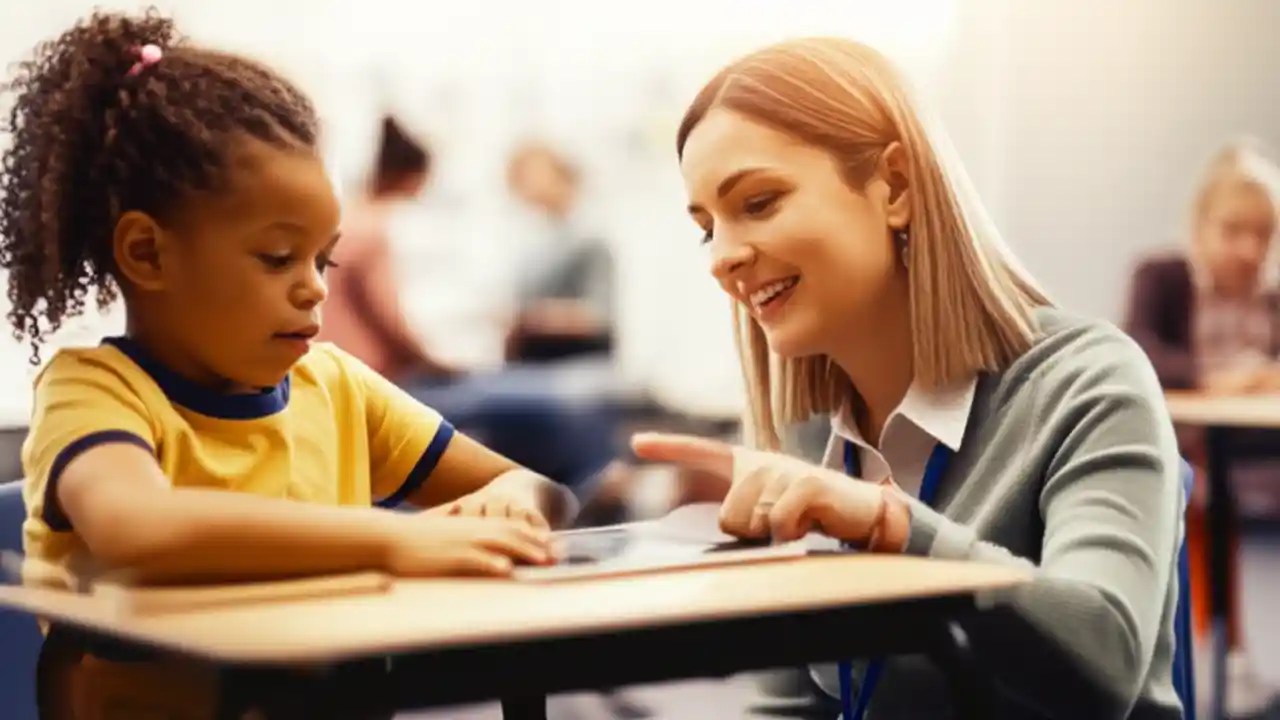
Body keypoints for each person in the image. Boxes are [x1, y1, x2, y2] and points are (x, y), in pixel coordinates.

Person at [0, 11, 569, 717]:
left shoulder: (336, 388)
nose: (316, 286)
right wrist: (393, 539)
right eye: (277, 258)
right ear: (147, 253)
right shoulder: (94, 392)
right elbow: (137, 529)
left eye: (322, 258)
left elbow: (545, 493)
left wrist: (511, 504)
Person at [632, 38, 1186, 719]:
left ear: (895, 187)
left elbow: (1104, 662)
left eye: (759, 202)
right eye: (705, 228)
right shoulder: (803, 435)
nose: (721, 258)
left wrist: (892, 526)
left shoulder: (1086, 382)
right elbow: (790, 708)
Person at [1126, 139, 1280, 718]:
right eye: (1234, 229)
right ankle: (1223, 655)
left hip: (1253, 441)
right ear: (1200, 224)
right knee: (1196, 489)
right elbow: (1139, 351)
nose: (1249, 248)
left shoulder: (1273, 296)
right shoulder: (1161, 277)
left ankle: (1229, 657)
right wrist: (1222, 380)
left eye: (1263, 233)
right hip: (1181, 441)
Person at [316, 114, 458, 380]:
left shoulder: (343, 218)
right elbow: (388, 318)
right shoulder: (371, 231)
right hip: (369, 377)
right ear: (412, 178)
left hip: (331, 368)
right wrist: (433, 364)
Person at [504, 142, 615, 362]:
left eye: (534, 175)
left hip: (578, 360)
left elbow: (599, 316)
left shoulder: (589, 237)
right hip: (534, 358)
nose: (527, 185)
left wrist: (534, 317)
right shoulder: (533, 239)